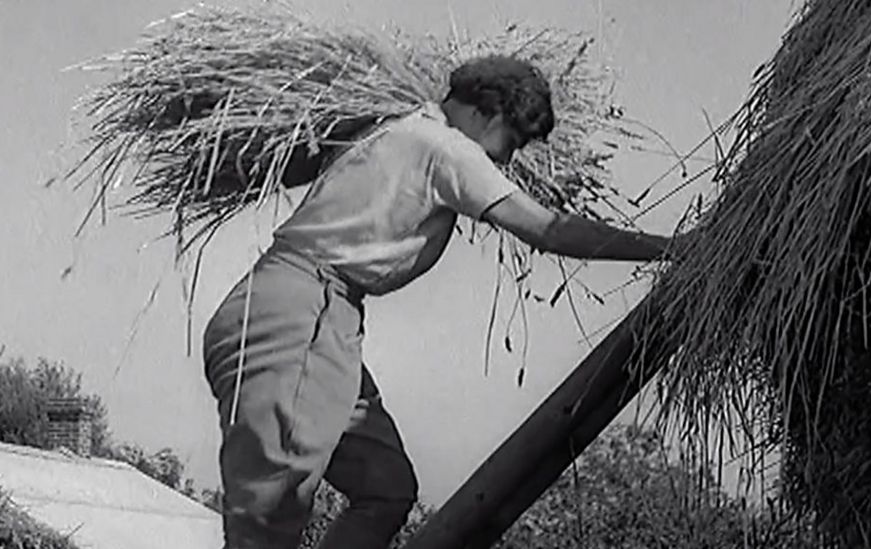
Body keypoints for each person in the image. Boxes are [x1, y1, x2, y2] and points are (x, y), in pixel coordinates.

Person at [203, 55, 680, 549]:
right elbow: (546, 229)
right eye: (512, 143)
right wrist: (666, 247)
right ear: (491, 115)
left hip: (314, 315)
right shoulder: (447, 147)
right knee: (269, 514)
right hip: (300, 314)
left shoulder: (394, 128)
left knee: (385, 487)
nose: (508, 161)